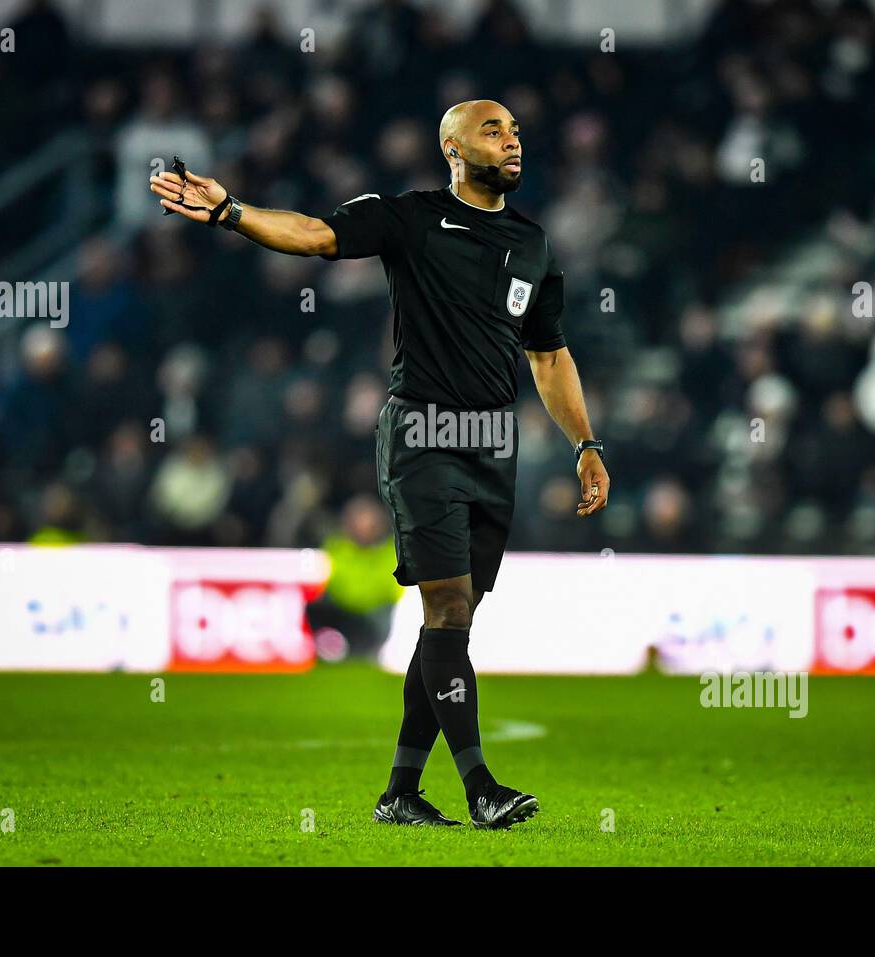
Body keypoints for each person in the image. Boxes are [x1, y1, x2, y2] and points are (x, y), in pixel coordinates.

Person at [151, 99, 610, 829]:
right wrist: (232, 210)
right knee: (449, 607)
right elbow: (315, 236)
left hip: (495, 443)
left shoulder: (533, 243)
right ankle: (481, 787)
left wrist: (585, 442)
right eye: (495, 130)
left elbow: (549, 355)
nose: (514, 140)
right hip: (422, 434)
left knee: (450, 628)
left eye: (518, 130)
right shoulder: (408, 219)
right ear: (453, 148)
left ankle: (400, 791)